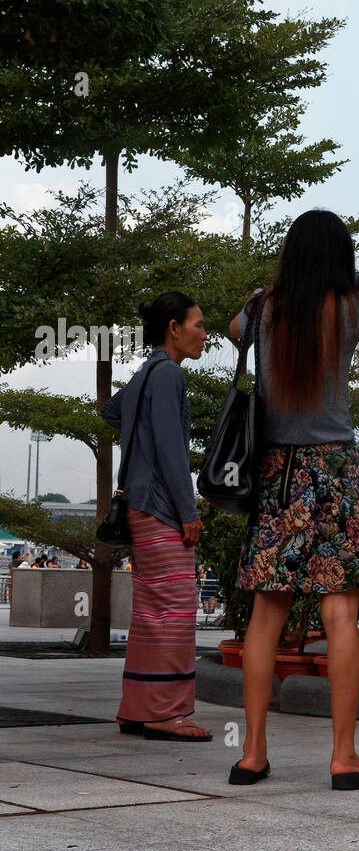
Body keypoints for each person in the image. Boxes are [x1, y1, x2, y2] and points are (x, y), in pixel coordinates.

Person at [229, 208, 359, 789]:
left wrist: (272, 293)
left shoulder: (262, 308)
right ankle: (344, 758)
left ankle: (251, 754)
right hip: (336, 471)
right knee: (341, 613)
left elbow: (231, 330)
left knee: (265, 615)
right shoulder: (350, 308)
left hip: (275, 473)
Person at [99, 293, 211, 741]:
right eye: (199, 325)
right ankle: (165, 712)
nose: (205, 334)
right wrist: (189, 511)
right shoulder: (167, 375)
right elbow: (171, 450)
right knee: (176, 608)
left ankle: (137, 708)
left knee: (150, 610)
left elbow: (110, 411)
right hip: (162, 507)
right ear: (173, 327)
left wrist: (136, 434)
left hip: (139, 505)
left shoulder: (147, 372)